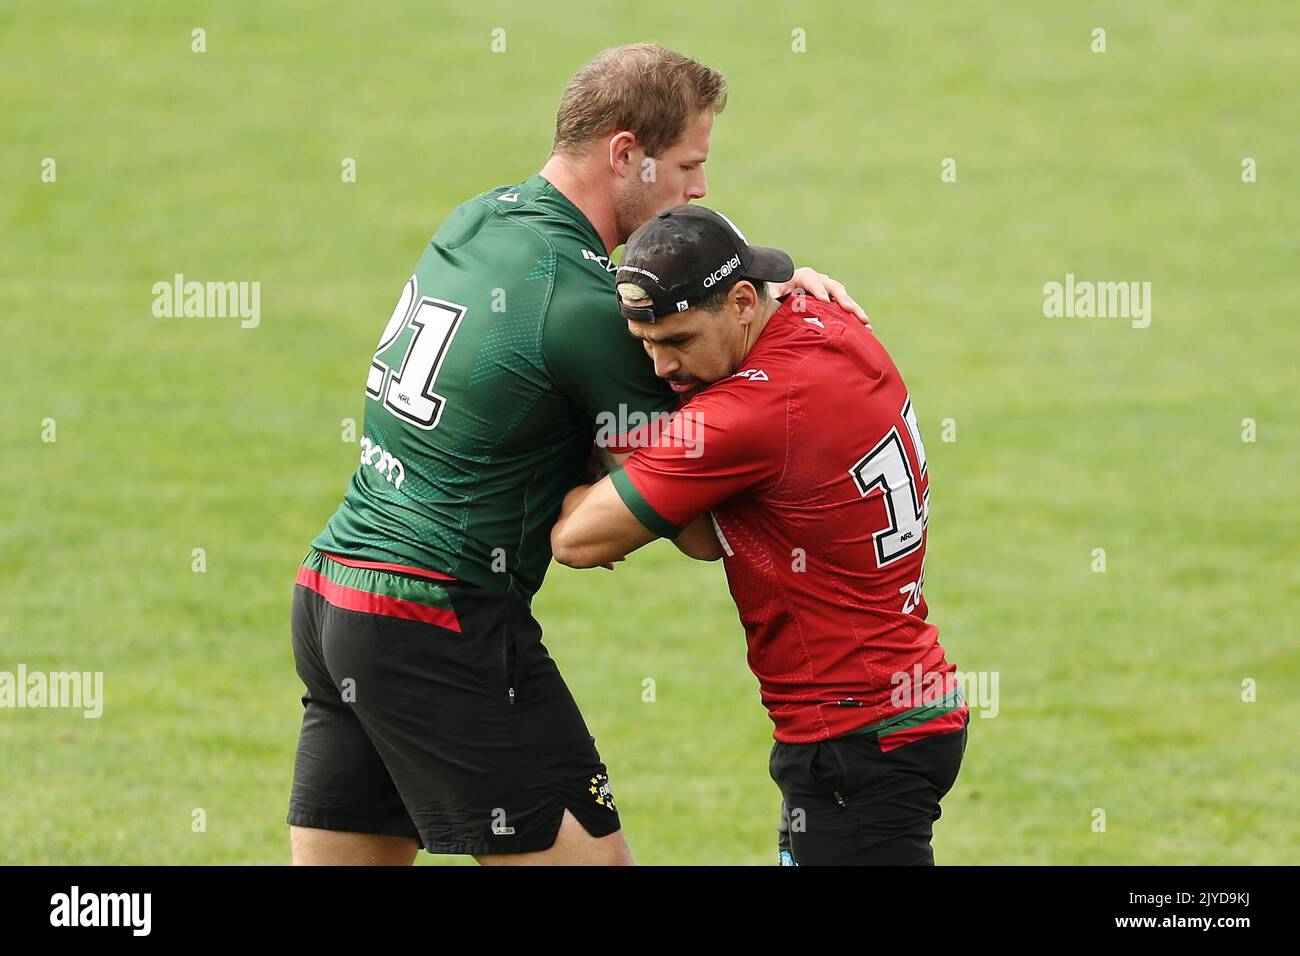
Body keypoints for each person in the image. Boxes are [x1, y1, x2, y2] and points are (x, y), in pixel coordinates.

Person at [288, 44, 867, 866]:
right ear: (625, 153)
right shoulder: (597, 309)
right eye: (688, 165)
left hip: (333, 595)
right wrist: (768, 316)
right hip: (438, 617)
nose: (699, 189)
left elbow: (512, 384)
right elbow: (696, 528)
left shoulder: (478, 216)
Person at [551, 204, 968, 865]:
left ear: (742, 301)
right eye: (645, 346)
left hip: (855, 732)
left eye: (679, 341)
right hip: (890, 709)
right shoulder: (822, 314)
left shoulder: (745, 415)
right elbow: (702, 533)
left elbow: (577, 540)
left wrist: (595, 455)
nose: (661, 368)